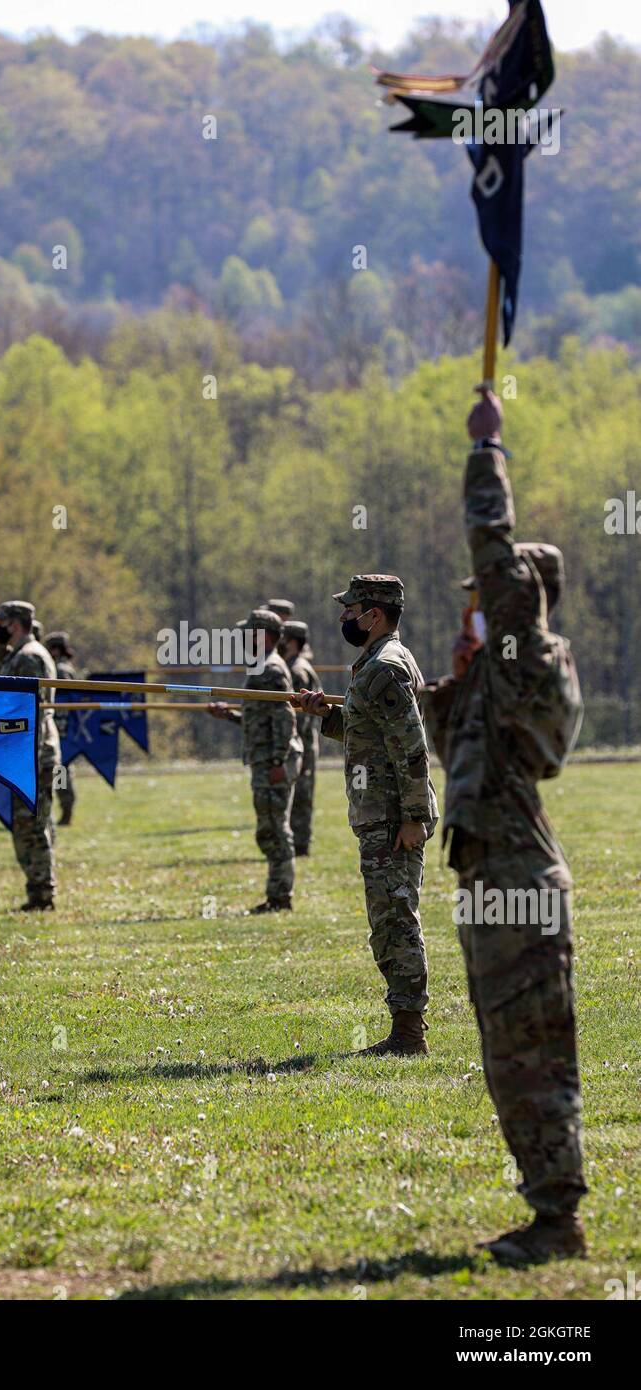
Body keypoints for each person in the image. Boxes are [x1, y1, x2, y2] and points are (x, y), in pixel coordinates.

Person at [421, 386, 585, 1264]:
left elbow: (496, 554)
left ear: (518, 598)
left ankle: (559, 1221)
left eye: (481, 600)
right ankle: (545, 1211)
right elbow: (450, 750)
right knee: (505, 1058)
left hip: (520, 885)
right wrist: (451, 685)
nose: (470, 609)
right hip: (489, 883)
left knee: (532, 1061)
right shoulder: (497, 675)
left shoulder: (527, 652)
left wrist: (487, 453)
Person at [299, 576, 438, 1056]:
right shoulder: (377, 664)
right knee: (387, 918)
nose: (343, 618)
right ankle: (405, 1028)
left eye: (350, 609)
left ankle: (408, 1034)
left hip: (395, 815)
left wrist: (415, 816)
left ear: (373, 614)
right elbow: (371, 732)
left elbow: (413, 748)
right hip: (379, 813)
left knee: (395, 919)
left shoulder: (385, 667)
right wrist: (326, 715)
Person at [208, 609, 303, 912]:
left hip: (273, 761)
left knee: (275, 829)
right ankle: (277, 894)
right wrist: (230, 715)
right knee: (269, 828)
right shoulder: (260, 667)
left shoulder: (271, 669)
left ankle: (280, 896)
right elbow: (260, 719)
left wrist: (278, 761)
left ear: (265, 636)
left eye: (249, 633)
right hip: (265, 759)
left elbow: (285, 718)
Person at [0, 600, 61, 910]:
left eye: (2, 623)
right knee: (27, 825)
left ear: (14, 624)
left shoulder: (30, 658)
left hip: (33, 754)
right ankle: (38, 890)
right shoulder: (19, 656)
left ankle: (42, 894)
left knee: (32, 827)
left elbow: (25, 709)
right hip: (24, 753)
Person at [279, 620, 320, 856]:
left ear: (292, 642)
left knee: (300, 796)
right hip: (304, 741)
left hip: (301, 742)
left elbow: (299, 715)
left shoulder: (296, 670)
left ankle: (299, 845)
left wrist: (295, 746)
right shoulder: (297, 665)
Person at [44, 630, 79, 826]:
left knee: (61, 769)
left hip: (60, 726)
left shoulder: (61, 670)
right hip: (61, 725)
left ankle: (66, 807)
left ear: (56, 650)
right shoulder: (66, 668)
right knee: (60, 769)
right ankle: (65, 807)